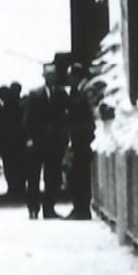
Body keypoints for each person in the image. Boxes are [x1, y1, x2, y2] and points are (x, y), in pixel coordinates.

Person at [21, 62, 69, 219]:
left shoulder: (62, 94)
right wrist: (29, 138)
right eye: (48, 75)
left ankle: (49, 209)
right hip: (38, 141)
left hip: (54, 143)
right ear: (44, 77)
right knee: (34, 177)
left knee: (52, 177)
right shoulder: (35, 94)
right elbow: (27, 119)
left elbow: (65, 118)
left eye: (53, 75)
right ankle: (33, 208)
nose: (51, 78)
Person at [65, 62, 97, 219]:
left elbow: (91, 114)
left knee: (81, 175)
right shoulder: (79, 91)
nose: (69, 79)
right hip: (79, 140)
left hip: (84, 140)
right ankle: (79, 207)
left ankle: (82, 208)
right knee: (77, 174)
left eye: (70, 76)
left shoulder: (87, 91)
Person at [0, 82, 26, 198]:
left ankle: (13, 188)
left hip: (8, 141)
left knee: (10, 165)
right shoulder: (23, 104)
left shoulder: (6, 107)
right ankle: (20, 187)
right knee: (21, 165)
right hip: (20, 140)